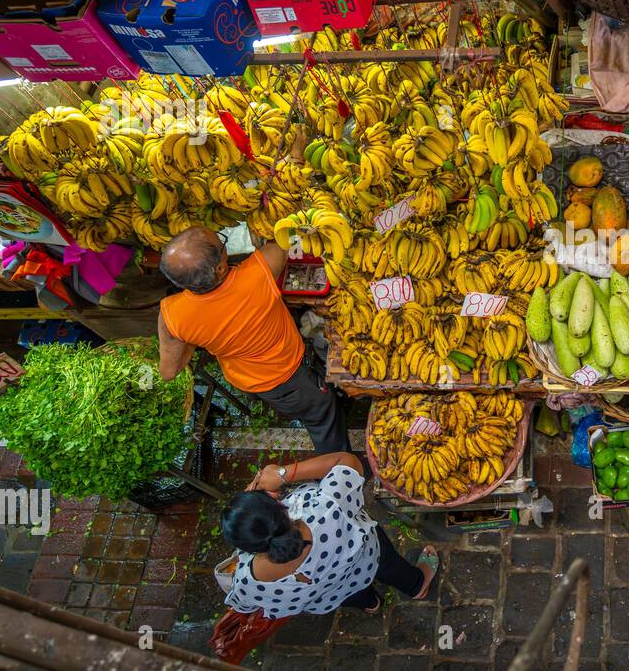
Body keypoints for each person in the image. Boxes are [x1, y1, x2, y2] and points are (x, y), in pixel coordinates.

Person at [156, 227, 349, 455]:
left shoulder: (171, 314)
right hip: (292, 378)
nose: (224, 246)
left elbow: (169, 371)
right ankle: (343, 470)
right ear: (219, 268)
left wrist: (194, 337)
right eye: (222, 245)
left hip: (251, 382)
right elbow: (281, 239)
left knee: (307, 404)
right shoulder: (258, 272)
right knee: (323, 420)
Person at [221, 450, 438, 618]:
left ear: (247, 547)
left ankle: (372, 604)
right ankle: (417, 587)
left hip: (334, 592)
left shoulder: (247, 582)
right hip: (368, 556)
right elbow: (348, 463)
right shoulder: (327, 507)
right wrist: (282, 474)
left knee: (354, 593)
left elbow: (243, 605)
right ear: (279, 505)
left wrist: (249, 514)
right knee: (391, 567)